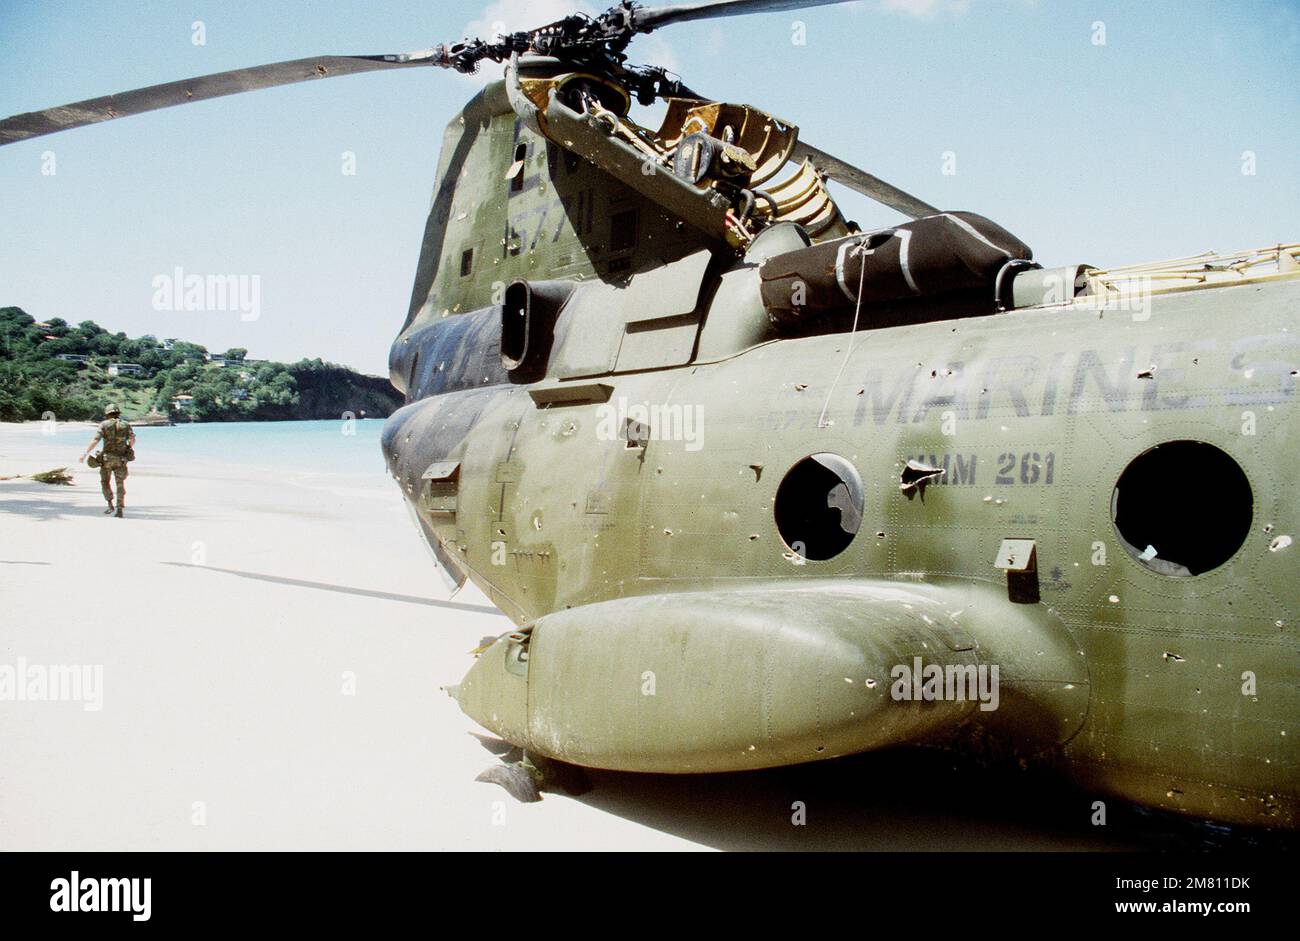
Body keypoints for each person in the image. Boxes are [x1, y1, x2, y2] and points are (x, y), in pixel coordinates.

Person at [80, 403, 135, 518]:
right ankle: (120, 509)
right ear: (118, 413)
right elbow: (132, 439)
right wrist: (129, 448)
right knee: (120, 484)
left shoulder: (104, 425)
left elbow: (96, 440)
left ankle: (110, 504)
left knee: (105, 482)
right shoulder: (126, 424)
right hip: (121, 459)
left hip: (107, 459)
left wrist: (85, 454)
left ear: (107, 414)